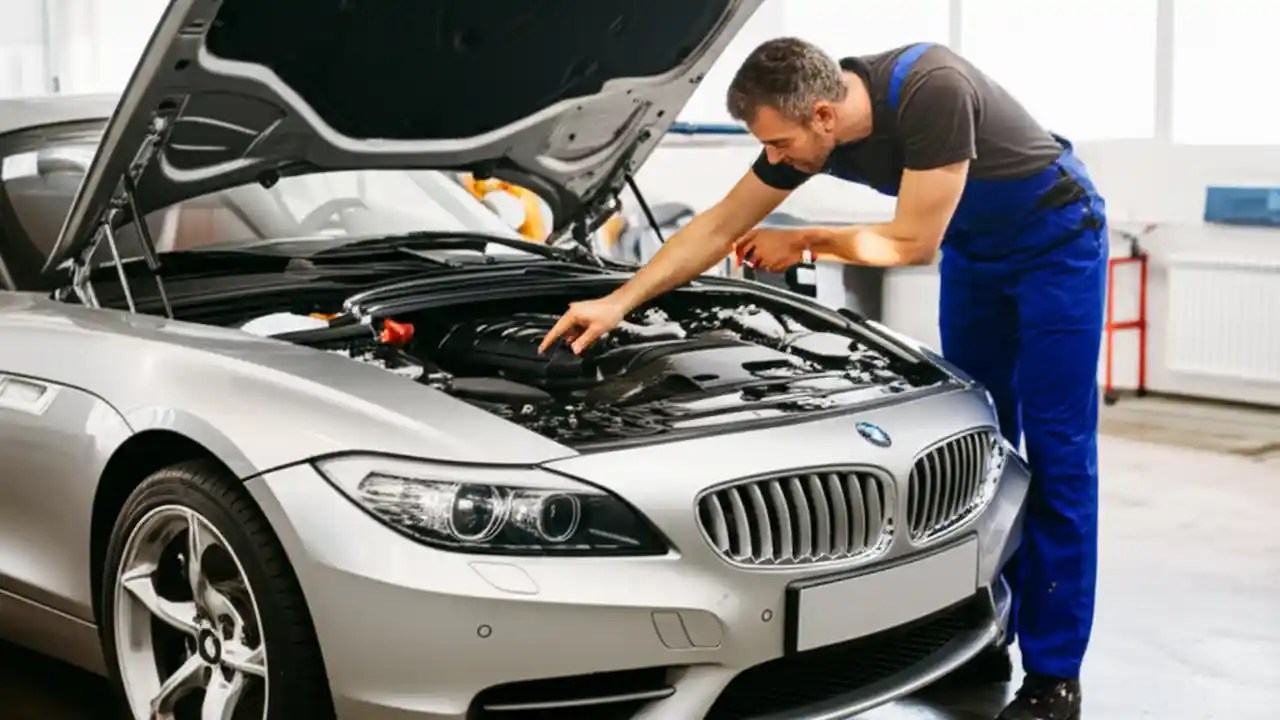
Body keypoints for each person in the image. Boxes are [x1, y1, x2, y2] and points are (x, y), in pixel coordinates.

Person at [538, 38, 1105, 720]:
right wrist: (619, 300)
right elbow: (720, 223)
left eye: (778, 143)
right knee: (986, 443)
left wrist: (802, 239)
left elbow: (911, 242)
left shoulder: (934, 89)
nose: (773, 158)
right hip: (976, 255)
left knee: (1057, 452)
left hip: (1056, 242)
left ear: (824, 117)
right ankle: (990, 632)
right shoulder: (807, 129)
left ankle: (1054, 677)